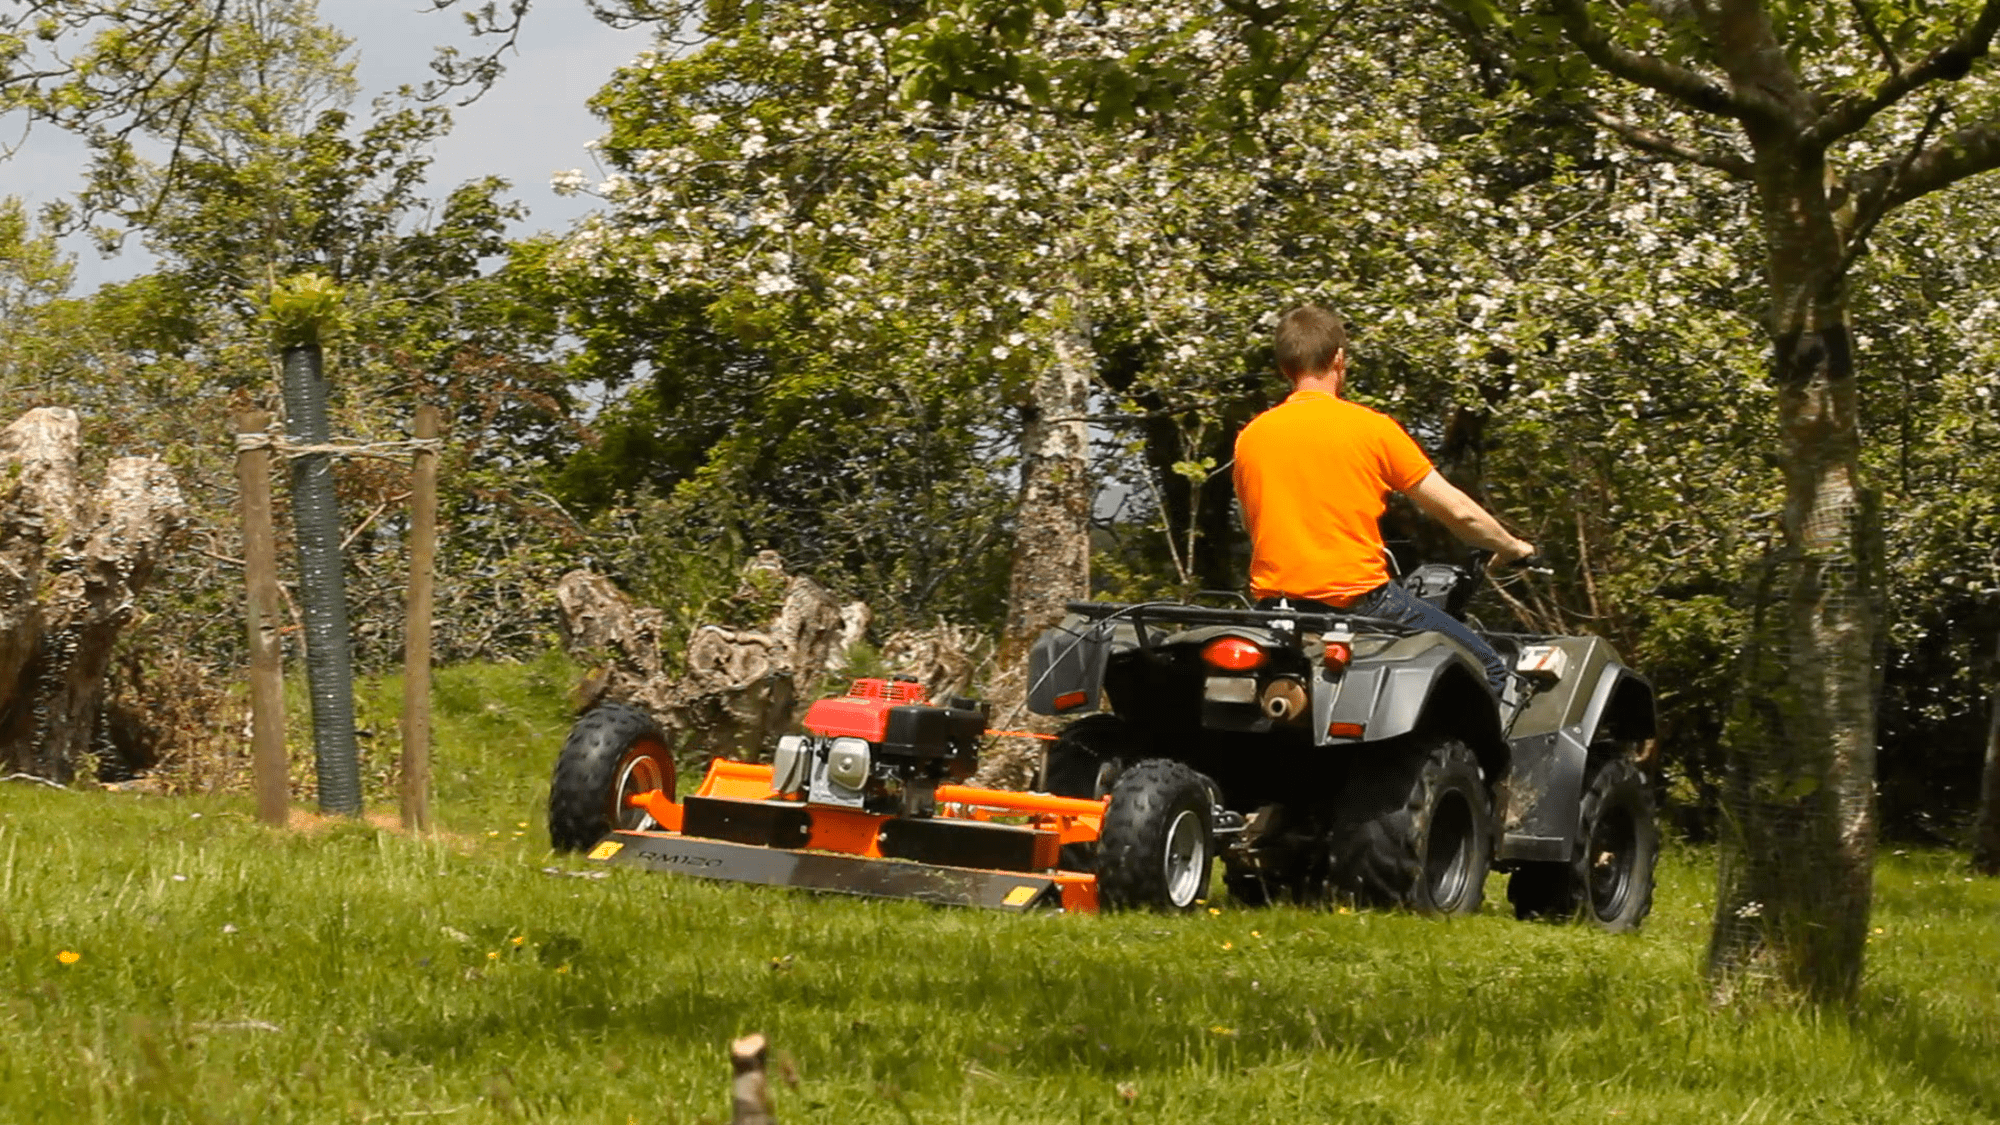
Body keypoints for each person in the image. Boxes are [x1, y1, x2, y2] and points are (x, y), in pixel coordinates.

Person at [1232, 304, 1533, 698]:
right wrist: (1511, 547)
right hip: (1362, 607)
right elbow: (1459, 512)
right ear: (1339, 358)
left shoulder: (1251, 437)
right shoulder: (1372, 429)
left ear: (1284, 367)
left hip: (1275, 613)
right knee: (1489, 668)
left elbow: (1253, 522)